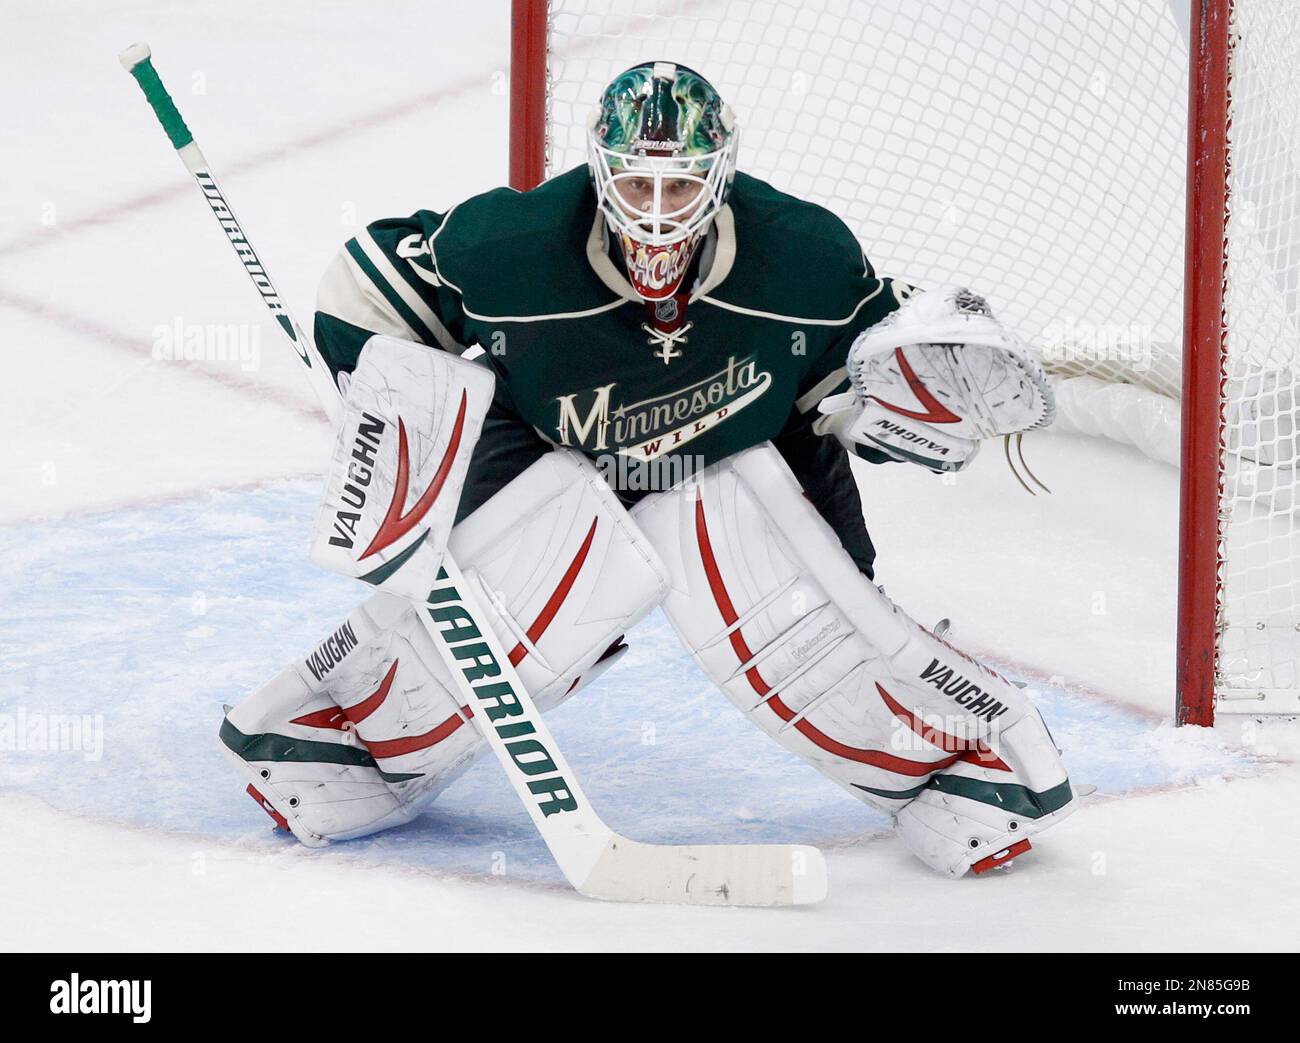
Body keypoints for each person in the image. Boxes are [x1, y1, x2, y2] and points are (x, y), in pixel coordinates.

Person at [221, 61, 1077, 879]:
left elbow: (851, 391)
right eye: (637, 184)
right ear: (600, 174)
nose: (658, 212)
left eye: (679, 185)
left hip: (751, 461)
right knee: (518, 594)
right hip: (558, 456)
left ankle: (963, 766)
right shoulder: (509, 245)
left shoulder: (805, 255)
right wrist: (388, 401)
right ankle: (335, 744)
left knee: (797, 602)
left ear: (721, 175)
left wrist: (913, 412)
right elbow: (360, 289)